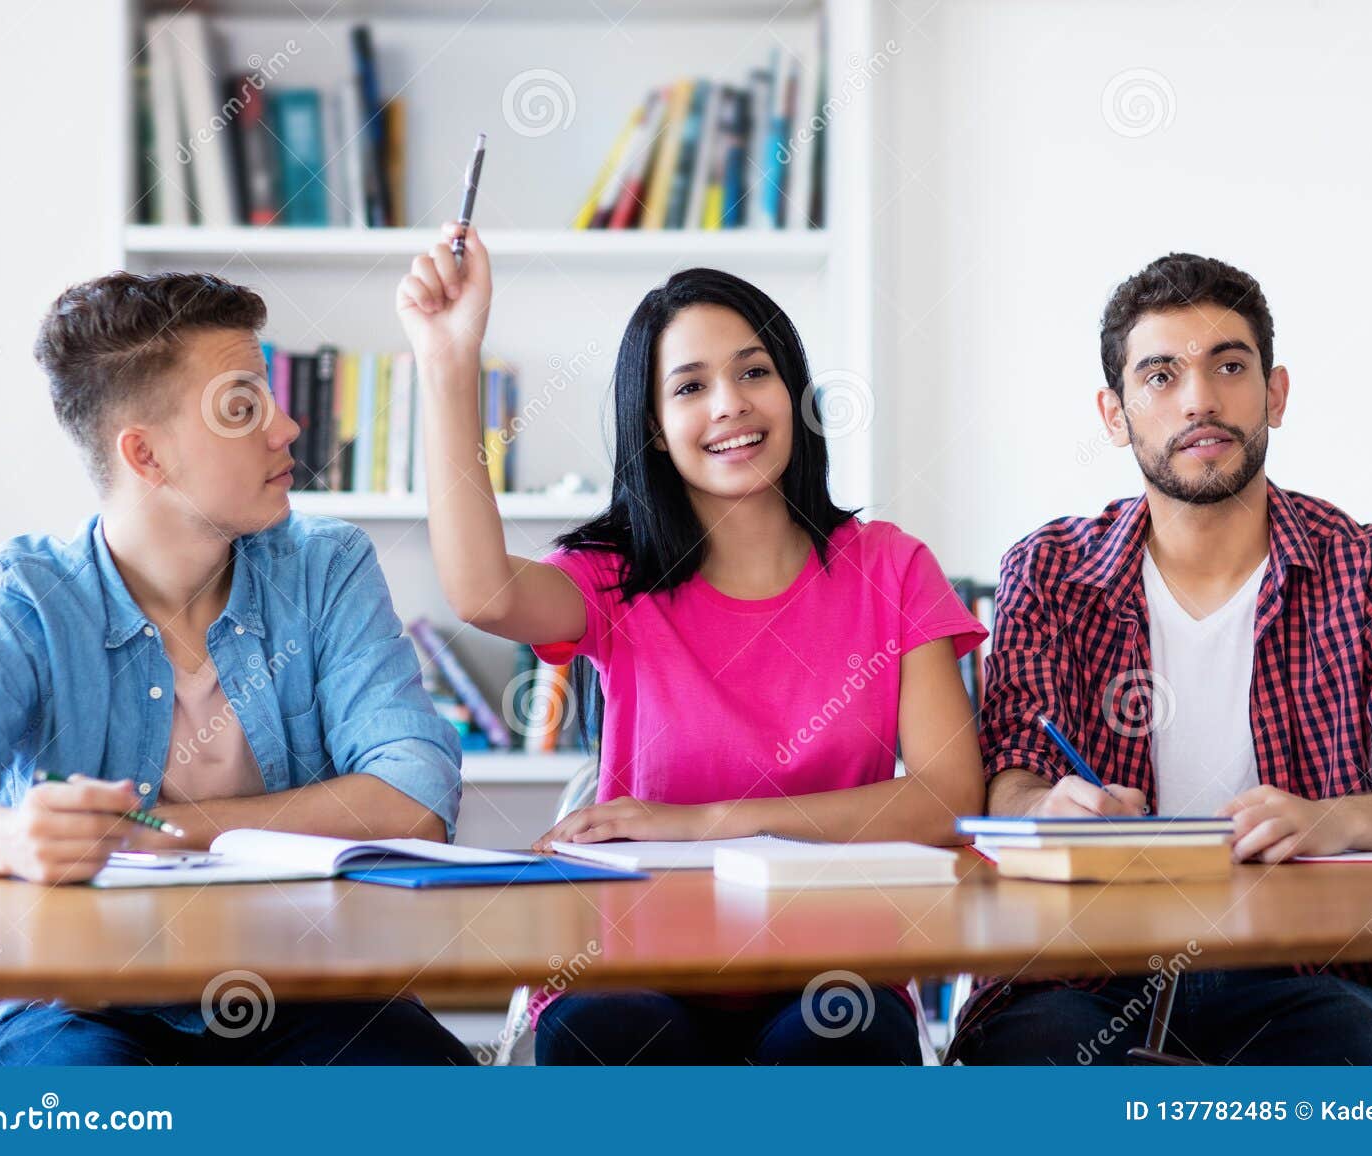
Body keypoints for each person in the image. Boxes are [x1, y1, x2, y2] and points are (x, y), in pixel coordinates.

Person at [397, 224, 987, 1064]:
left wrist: (702, 824)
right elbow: (480, 591)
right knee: (615, 1038)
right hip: (636, 964)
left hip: (833, 962)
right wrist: (450, 362)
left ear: (795, 391)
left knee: (839, 1040)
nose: (730, 405)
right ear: (654, 425)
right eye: (691, 387)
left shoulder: (891, 568)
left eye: (755, 372)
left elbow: (943, 801)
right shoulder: (615, 577)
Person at [0, 271, 473, 1066]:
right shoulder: (21, 600)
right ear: (146, 454)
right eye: (243, 408)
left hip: (312, 989)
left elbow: (413, 798)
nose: (287, 426)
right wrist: (17, 839)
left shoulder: (326, 567)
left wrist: (160, 835)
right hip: (83, 1001)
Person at [955, 252, 1372, 1065]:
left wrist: (1342, 818)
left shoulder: (1369, 567)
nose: (1199, 399)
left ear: (1274, 393)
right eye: (1161, 375)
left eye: (1228, 366)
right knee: (1016, 1081)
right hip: (1079, 970)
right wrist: (1043, 808)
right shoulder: (1050, 570)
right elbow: (1012, 776)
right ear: (1114, 414)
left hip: (1312, 970)